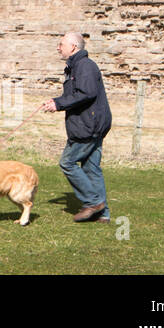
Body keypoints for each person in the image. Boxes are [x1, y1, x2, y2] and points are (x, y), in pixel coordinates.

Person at [39, 32, 112, 222]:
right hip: (92, 124)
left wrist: (59, 104)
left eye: (61, 44)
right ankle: (103, 214)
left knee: (67, 162)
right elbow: (76, 94)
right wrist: (55, 102)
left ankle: (93, 202)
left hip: (88, 125)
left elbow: (86, 93)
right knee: (91, 168)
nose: (58, 47)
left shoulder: (84, 66)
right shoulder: (76, 67)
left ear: (73, 47)